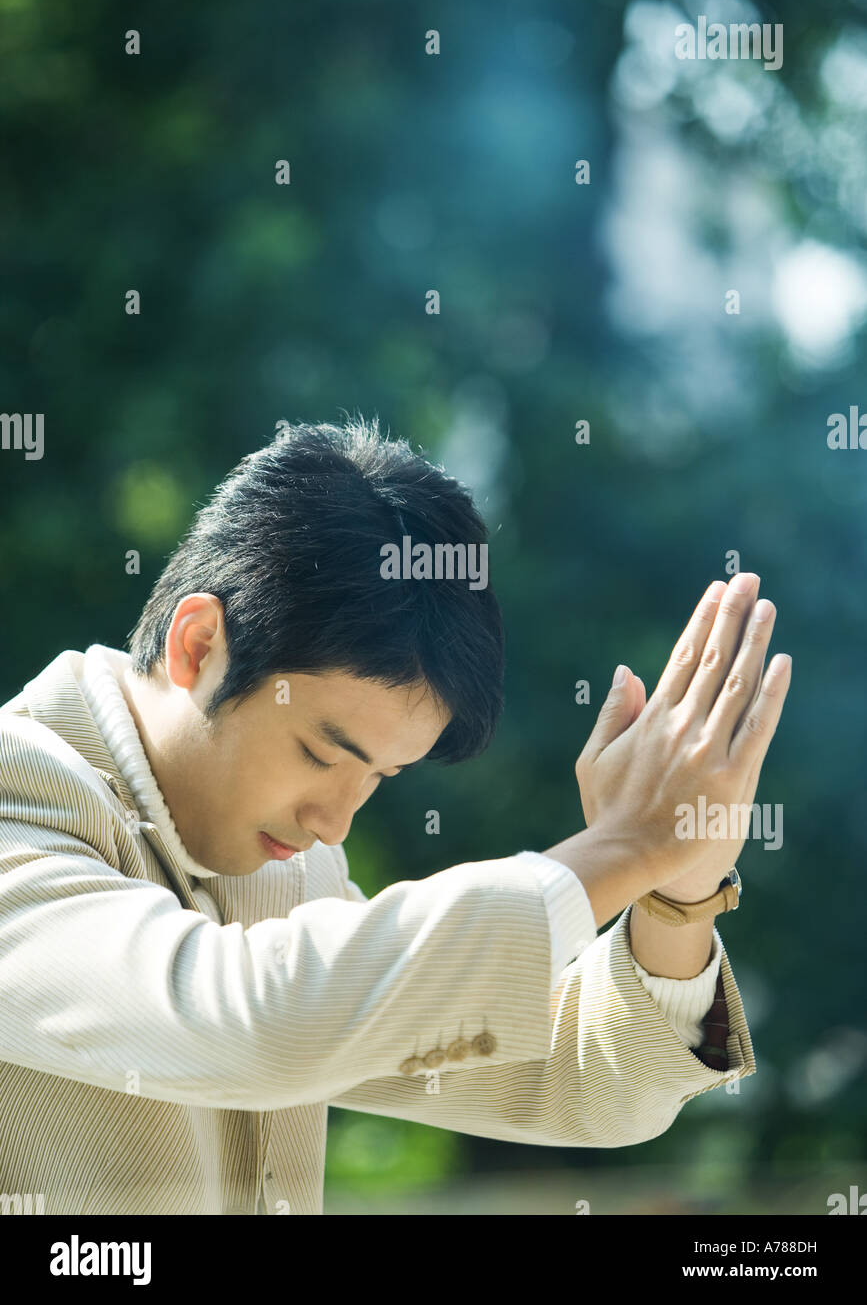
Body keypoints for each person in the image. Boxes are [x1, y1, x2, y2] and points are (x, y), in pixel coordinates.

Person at [0, 416, 790, 1215]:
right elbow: (244, 1019)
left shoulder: (283, 869)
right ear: (200, 645)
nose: (332, 823)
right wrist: (623, 847)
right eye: (320, 752)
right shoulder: (14, 791)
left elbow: (583, 1086)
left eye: (380, 775)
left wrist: (676, 891)